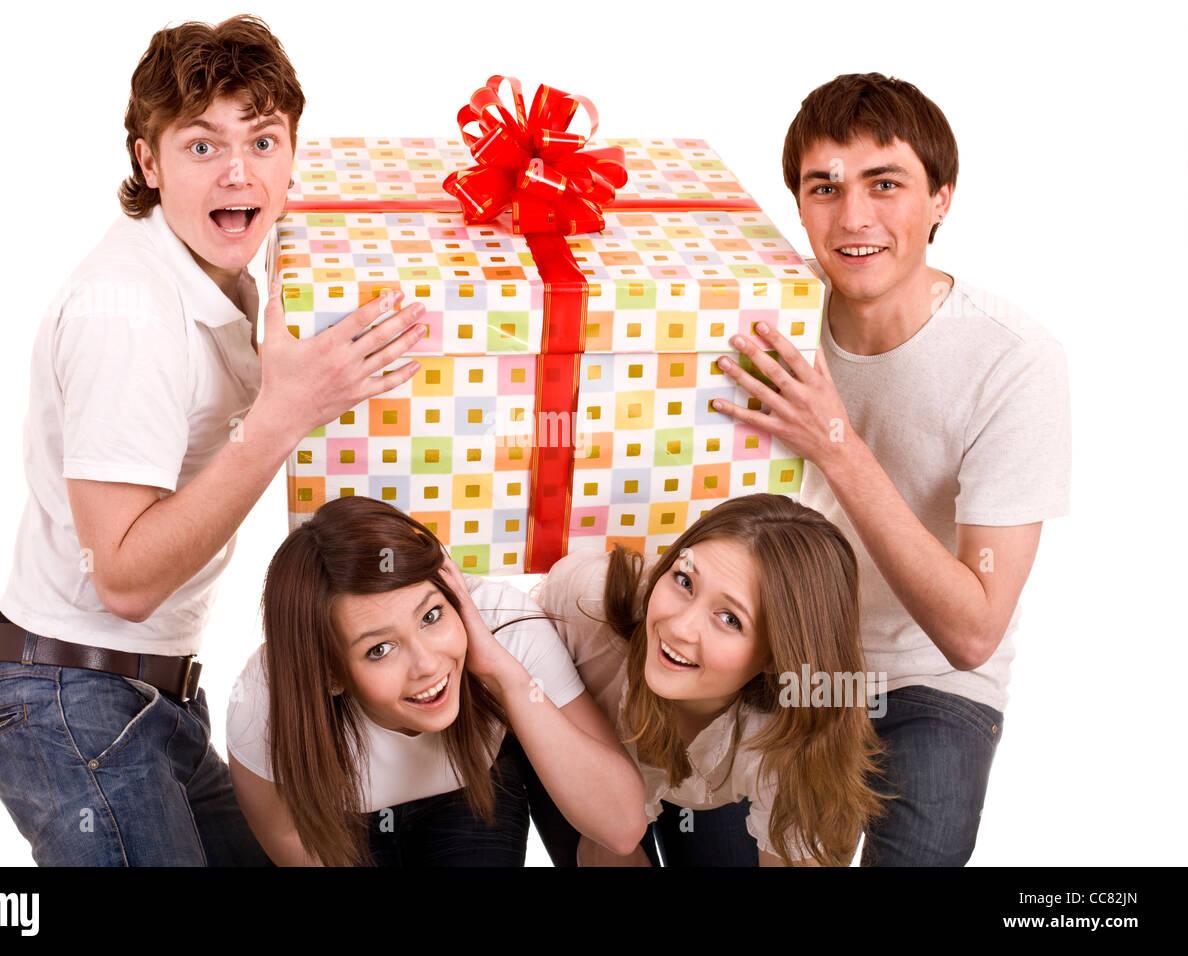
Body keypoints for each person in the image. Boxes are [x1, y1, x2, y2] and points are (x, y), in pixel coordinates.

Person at [0, 15, 427, 866]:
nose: (240, 172)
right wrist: (282, 416)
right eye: (203, 146)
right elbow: (128, 580)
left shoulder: (233, 282)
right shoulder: (131, 312)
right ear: (150, 162)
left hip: (152, 696)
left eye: (263, 140)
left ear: (294, 154)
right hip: (74, 694)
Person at [711, 73, 1071, 865]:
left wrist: (834, 440)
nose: (854, 218)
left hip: (931, 680)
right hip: (796, 661)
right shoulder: (760, 324)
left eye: (885, 184)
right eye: (824, 188)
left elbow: (973, 631)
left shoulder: (1014, 362)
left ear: (941, 197)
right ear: (798, 205)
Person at [225, 495, 646, 866]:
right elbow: (287, 835)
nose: (426, 665)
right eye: (379, 649)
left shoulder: (505, 625)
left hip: (470, 790)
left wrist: (507, 676)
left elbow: (622, 826)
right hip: (342, 821)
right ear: (331, 675)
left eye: (431, 616)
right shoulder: (264, 701)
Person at [532, 494, 886, 867]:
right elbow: (605, 845)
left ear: (776, 656)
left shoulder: (796, 730)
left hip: (713, 781)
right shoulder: (585, 603)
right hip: (571, 752)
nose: (679, 627)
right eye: (684, 580)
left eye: (730, 619)